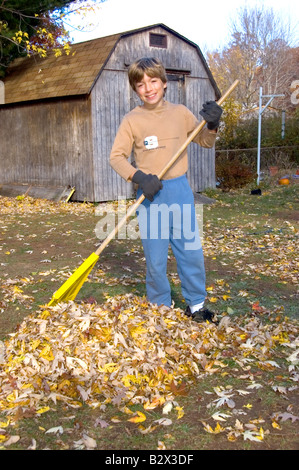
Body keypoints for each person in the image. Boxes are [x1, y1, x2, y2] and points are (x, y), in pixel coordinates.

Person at [110, 57, 222, 323]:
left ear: (164, 83)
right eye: (141, 84)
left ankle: (196, 304)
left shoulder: (180, 113)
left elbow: (205, 142)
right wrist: (138, 176)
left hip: (179, 190)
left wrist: (213, 124)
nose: (148, 88)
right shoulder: (132, 120)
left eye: (153, 81)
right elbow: (116, 157)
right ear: (135, 89)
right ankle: (160, 306)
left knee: (189, 250)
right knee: (156, 256)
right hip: (150, 195)